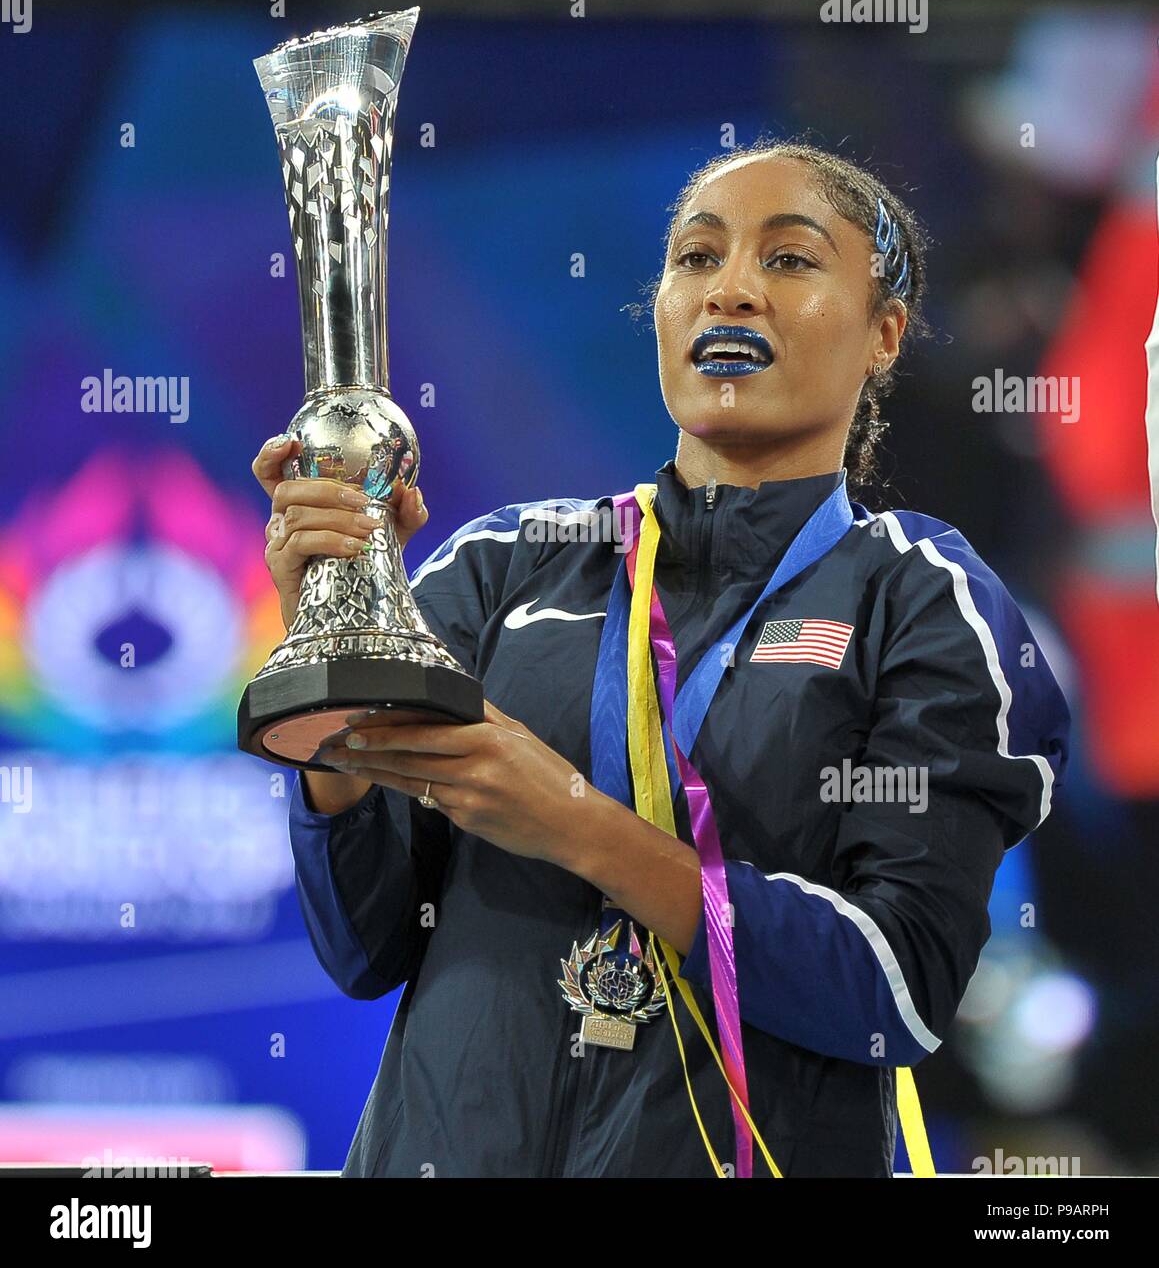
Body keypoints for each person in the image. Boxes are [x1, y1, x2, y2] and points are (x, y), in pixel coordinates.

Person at [250, 138, 1071, 1178]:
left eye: (788, 260)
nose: (730, 290)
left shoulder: (920, 601)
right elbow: (362, 943)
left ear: (884, 334)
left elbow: (895, 990)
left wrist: (580, 828)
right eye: (695, 258)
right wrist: (334, 648)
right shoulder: (507, 567)